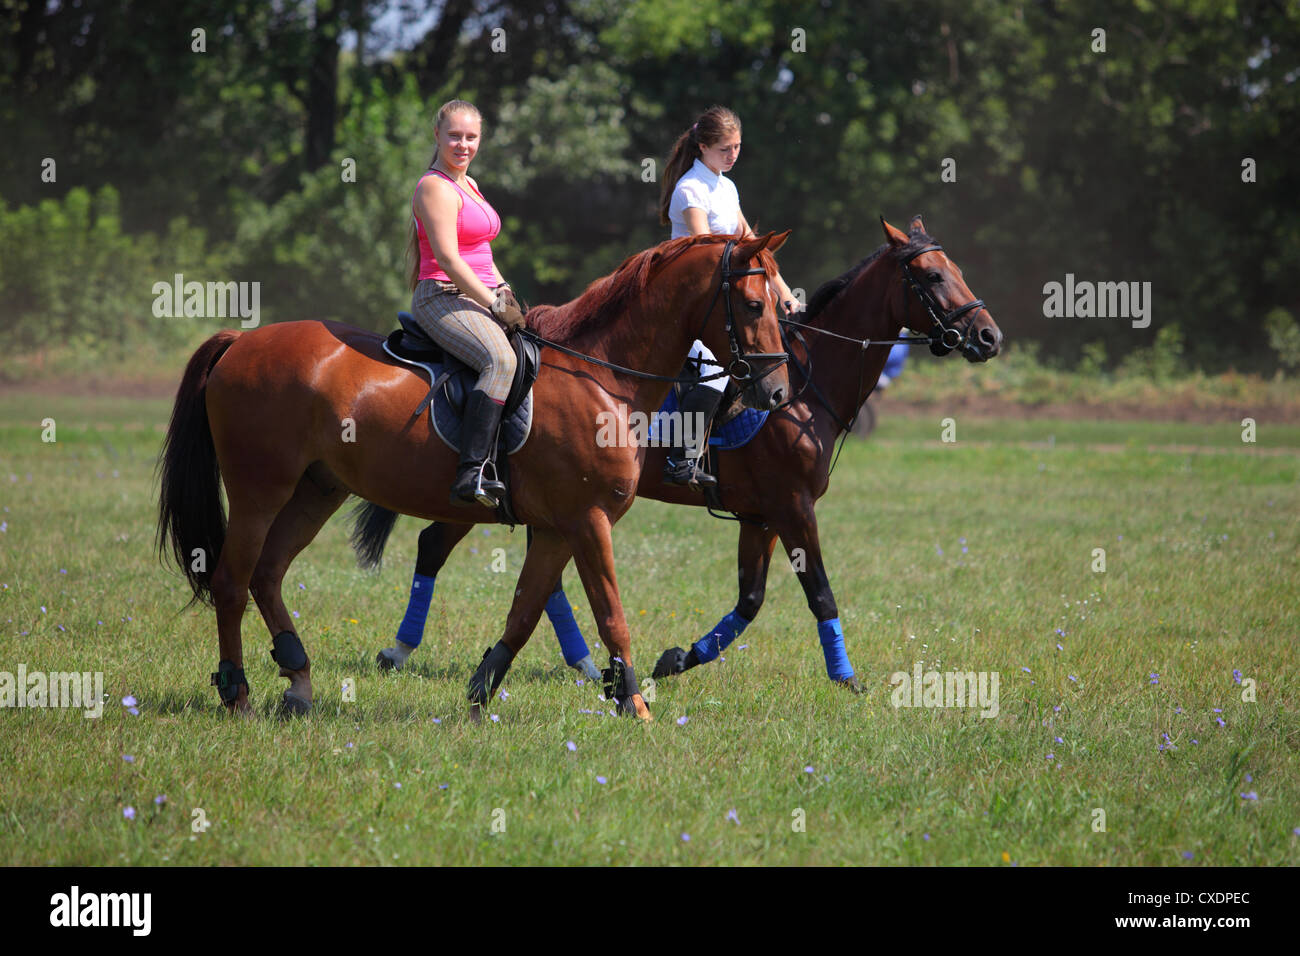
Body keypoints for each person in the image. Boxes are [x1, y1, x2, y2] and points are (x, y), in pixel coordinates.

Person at [658, 105, 800, 487]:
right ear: (703, 147)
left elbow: (751, 244)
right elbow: (709, 251)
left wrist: (783, 291)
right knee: (714, 376)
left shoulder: (726, 186)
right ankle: (680, 461)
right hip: (688, 304)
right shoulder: (690, 189)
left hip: (718, 299)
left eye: (737, 147)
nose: (733, 155)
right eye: (725, 148)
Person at [407, 99, 525, 508]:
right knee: (502, 361)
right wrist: (493, 302)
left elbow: (482, 254)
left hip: (479, 293)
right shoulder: (433, 187)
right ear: (437, 135)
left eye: (471, 137)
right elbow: (449, 260)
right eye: (454, 135)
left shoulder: (468, 185)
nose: (463, 144)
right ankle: (471, 472)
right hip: (440, 295)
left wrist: (506, 291)